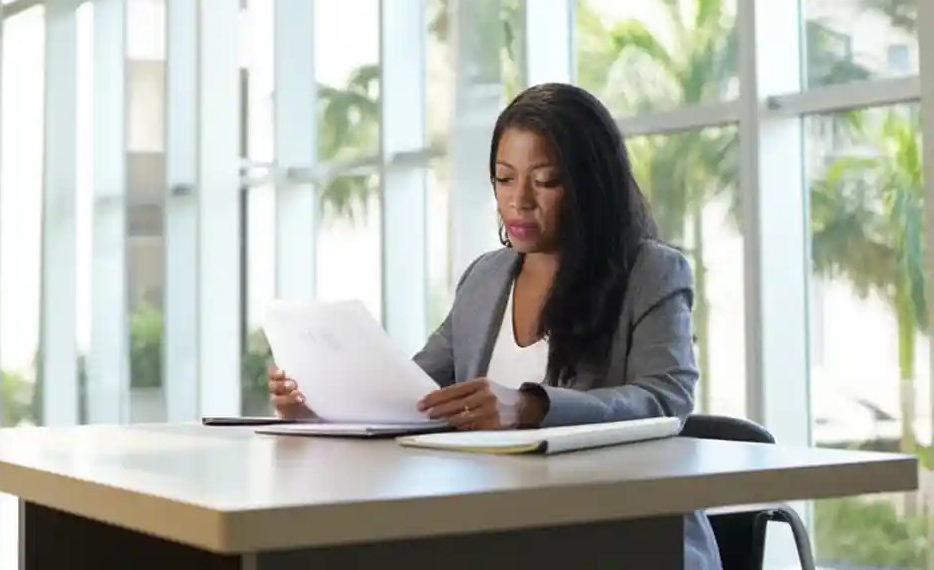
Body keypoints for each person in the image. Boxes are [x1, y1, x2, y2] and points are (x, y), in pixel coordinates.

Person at [267, 83, 721, 569]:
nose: (519, 200)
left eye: (545, 180)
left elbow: (664, 399)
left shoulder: (651, 272)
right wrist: (322, 400)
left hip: (625, 536)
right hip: (500, 532)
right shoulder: (486, 277)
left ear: (591, 183)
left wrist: (533, 407)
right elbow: (416, 392)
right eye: (504, 179)